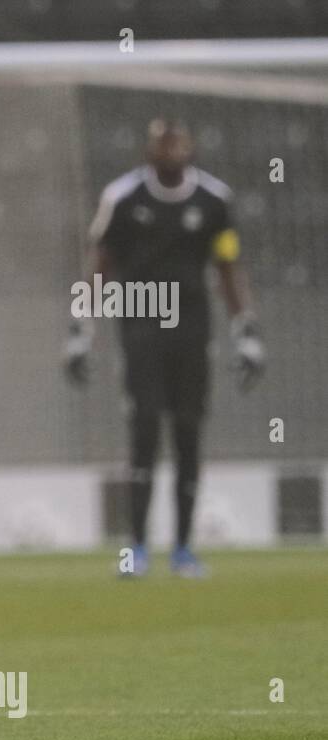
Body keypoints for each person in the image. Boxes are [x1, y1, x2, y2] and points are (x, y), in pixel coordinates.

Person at [66, 118, 263, 577]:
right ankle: (135, 548)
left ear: (191, 148)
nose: (171, 149)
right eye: (162, 142)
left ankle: (183, 549)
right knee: (146, 425)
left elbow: (229, 265)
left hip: (193, 329)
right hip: (140, 324)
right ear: (149, 149)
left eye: (178, 141)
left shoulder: (214, 200)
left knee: (189, 429)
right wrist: (81, 327)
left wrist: (246, 330)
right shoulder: (123, 197)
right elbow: (100, 263)